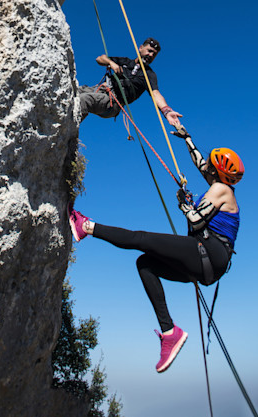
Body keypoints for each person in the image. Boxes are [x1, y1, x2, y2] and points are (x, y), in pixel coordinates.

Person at [67, 125, 244, 373]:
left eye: (211, 166)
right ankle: (169, 331)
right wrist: (187, 139)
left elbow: (196, 221)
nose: (206, 167)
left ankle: (86, 226)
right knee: (145, 264)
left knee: (141, 239)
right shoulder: (221, 186)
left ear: (217, 171)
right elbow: (200, 164)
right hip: (210, 265)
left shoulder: (220, 190)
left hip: (209, 252)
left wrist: (184, 205)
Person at [77, 37, 183, 127]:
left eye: (154, 54)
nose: (151, 55)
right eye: (149, 51)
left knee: (84, 100)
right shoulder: (125, 62)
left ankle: (69, 135)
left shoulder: (149, 75)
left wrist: (166, 111)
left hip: (113, 102)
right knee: (74, 91)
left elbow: (155, 94)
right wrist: (111, 63)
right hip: (100, 90)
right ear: (140, 48)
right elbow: (100, 59)